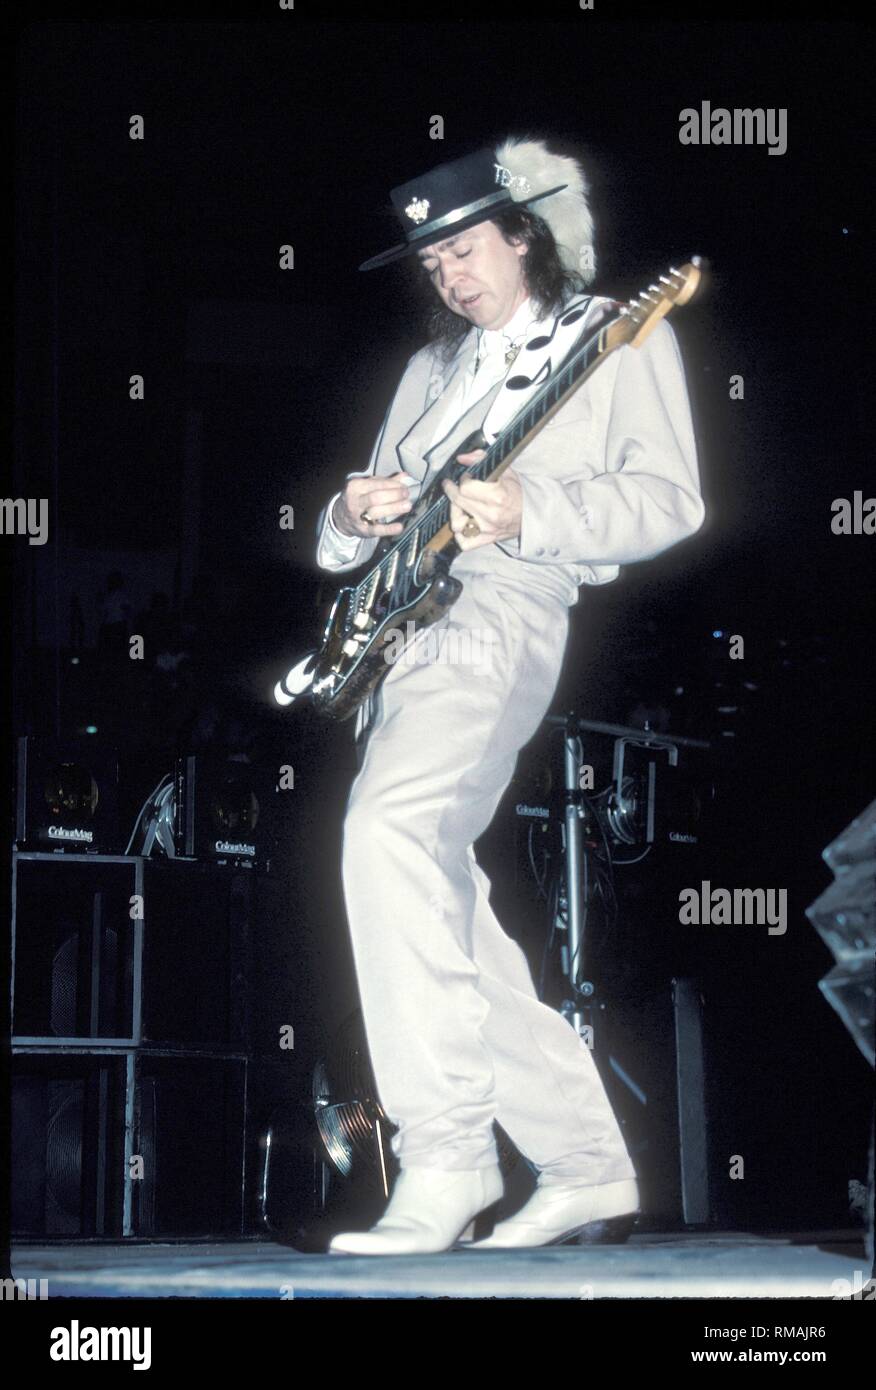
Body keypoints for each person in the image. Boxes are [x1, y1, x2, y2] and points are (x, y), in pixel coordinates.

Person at [315, 138, 706, 1255]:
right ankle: (584, 1163)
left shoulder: (613, 339)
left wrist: (529, 509)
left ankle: (446, 1155)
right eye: (431, 262)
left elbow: (669, 499)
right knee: (439, 906)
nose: (448, 276)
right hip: (401, 648)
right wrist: (353, 515)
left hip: (502, 614)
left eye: (465, 249)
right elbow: (347, 547)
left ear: (525, 233)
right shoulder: (429, 374)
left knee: (386, 835)